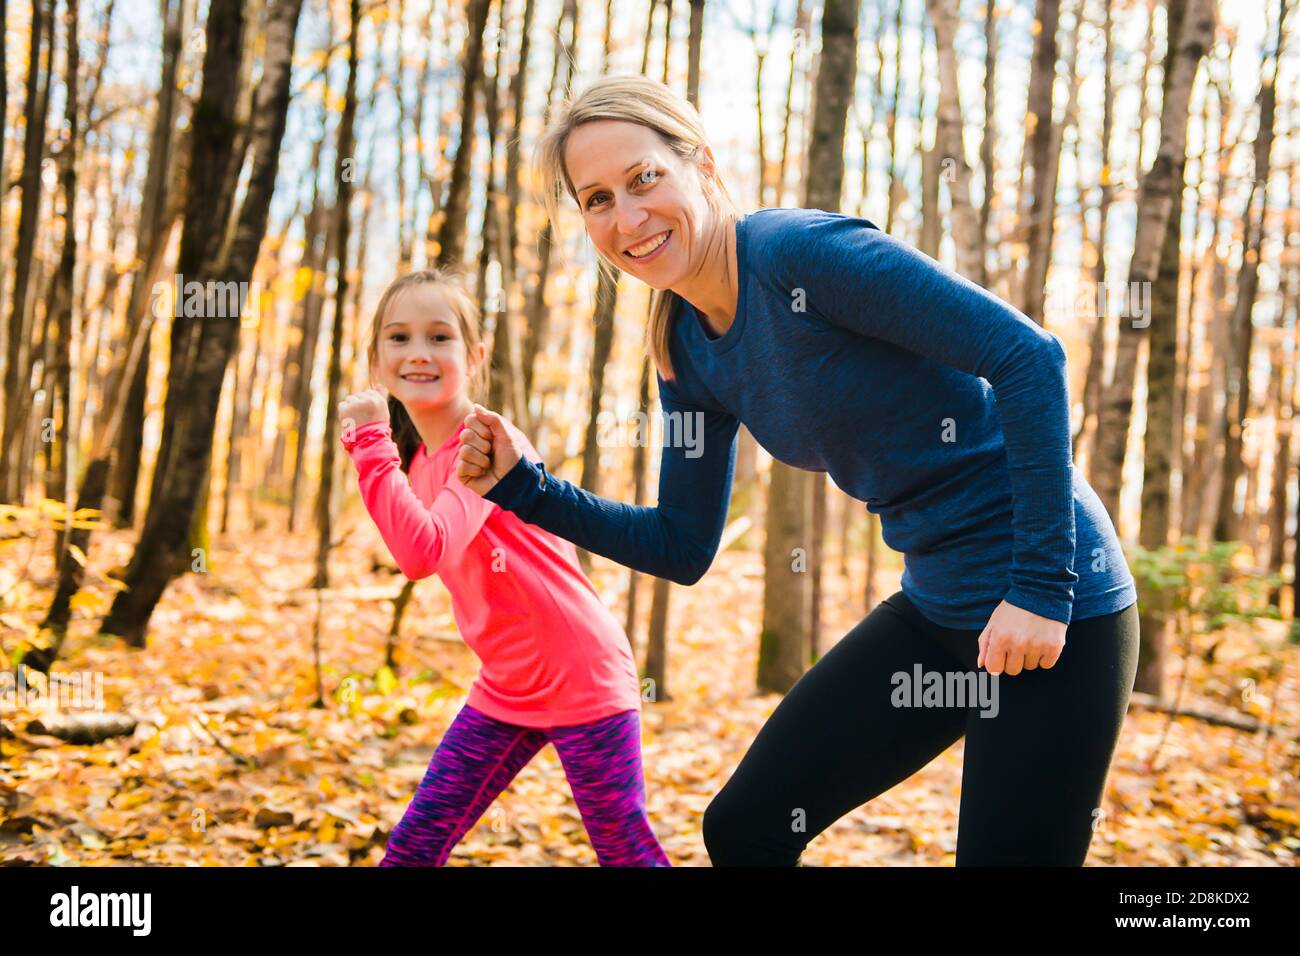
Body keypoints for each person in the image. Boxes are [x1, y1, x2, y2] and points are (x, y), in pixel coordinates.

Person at [454, 73, 1140, 866]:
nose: (628, 216)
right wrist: (526, 491)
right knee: (747, 826)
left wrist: (1039, 588)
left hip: (1057, 615)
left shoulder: (799, 255)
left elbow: (1028, 355)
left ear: (702, 164)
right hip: (940, 609)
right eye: (597, 198)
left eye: (644, 178)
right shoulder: (683, 348)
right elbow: (683, 544)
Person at [338, 268, 669, 867]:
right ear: (376, 357)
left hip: (581, 672)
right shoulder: (416, 458)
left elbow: (423, 553)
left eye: (440, 337)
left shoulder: (485, 441)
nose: (418, 353)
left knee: (625, 852)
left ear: (475, 354)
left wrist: (369, 445)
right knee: (414, 845)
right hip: (506, 683)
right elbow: (411, 540)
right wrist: (380, 453)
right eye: (399, 337)